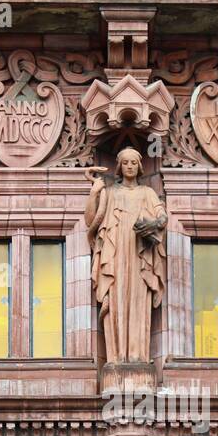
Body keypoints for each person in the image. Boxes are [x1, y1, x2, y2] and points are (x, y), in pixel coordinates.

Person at [85, 148, 167, 365]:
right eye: (125, 163)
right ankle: (116, 357)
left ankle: (138, 356)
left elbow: (162, 217)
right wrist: (94, 192)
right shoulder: (110, 192)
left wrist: (152, 223)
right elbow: (92, 221)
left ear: (139, 167)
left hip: (140, 255)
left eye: (133, 162)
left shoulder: (147, 193)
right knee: (117, 301)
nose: (129, 166)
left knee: (139, 303)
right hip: (115, 256)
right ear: (119, 167)